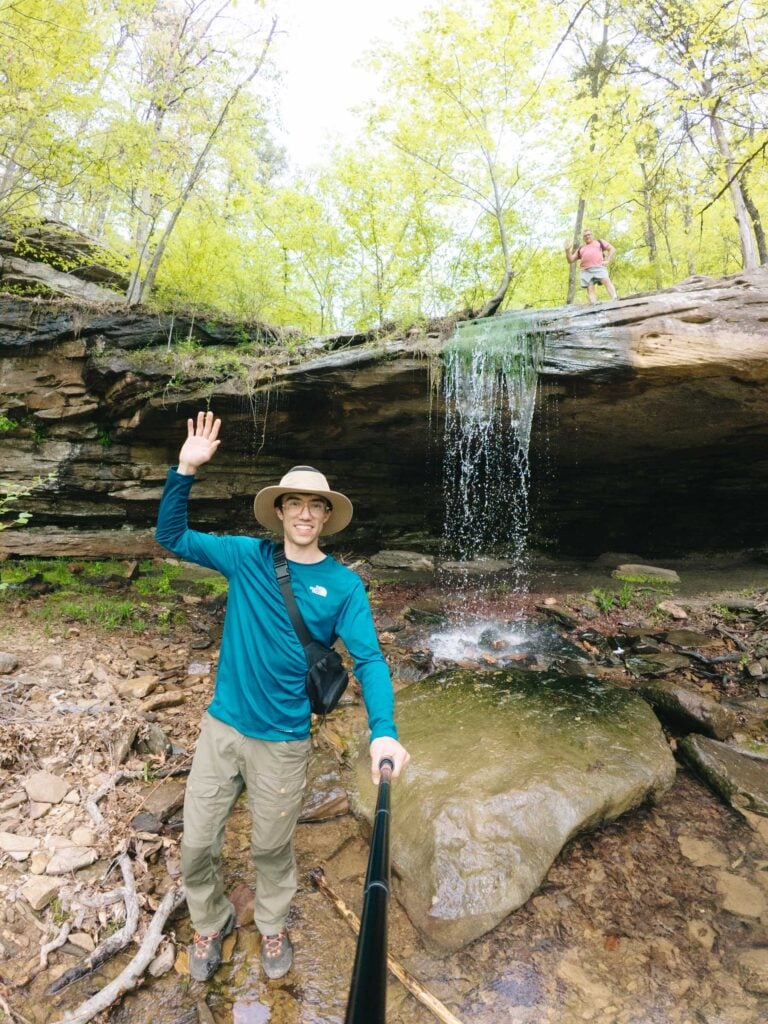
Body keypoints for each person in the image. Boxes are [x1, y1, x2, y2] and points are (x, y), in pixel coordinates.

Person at [155, 411, 410, 983]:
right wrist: (185, 470)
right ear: (279, 511)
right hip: (223, 729)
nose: (303, 512)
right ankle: (210, 920)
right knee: (196, 843)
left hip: (285, 741)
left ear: (326, 516)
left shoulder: (343, 585)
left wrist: (384, 730)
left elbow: (369, 660)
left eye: (314, 504)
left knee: (271, 849)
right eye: (293, 502)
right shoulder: (246, 557)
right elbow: (170, 536)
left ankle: (271, 924)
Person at [565, 228, 618, 303]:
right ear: (583, 238)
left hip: (599, 267)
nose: (587, 236)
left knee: (606, 281)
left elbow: (612, 249)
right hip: (586, 270)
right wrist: (567, 251)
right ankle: (593, 304)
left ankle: (615, 298)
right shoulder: (581, 248)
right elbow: (570, 260)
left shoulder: (599, 242)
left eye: (589, 234)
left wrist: (608, 260)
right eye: (585, 236)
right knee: (590, 288)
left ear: (592, 235)